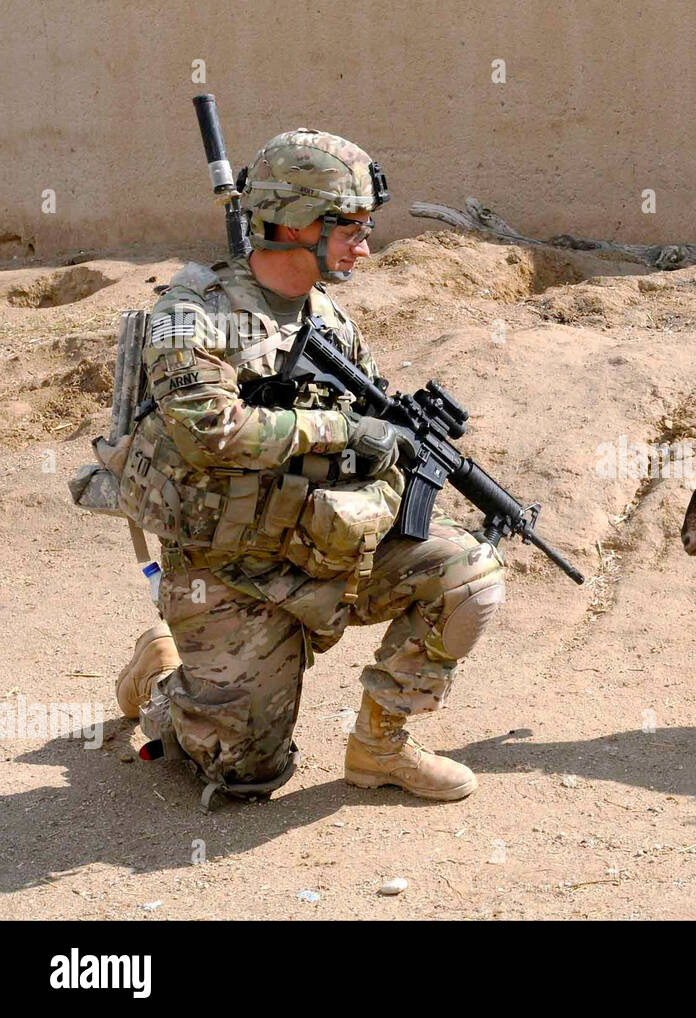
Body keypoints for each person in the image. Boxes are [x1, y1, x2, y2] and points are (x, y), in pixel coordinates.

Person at [114, 129, 505, 802]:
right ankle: (161, 678)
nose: (366, 243)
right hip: (227, 573)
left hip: (322, 554)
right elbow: (211, 432)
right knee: (246, 776)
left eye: (367, 225)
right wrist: (341, 427)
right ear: (296, 224)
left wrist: (389, 449)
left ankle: (382, 748)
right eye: (350, 225)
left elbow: (365, 430)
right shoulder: (188, 314)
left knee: (469, 576)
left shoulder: (329, 320)